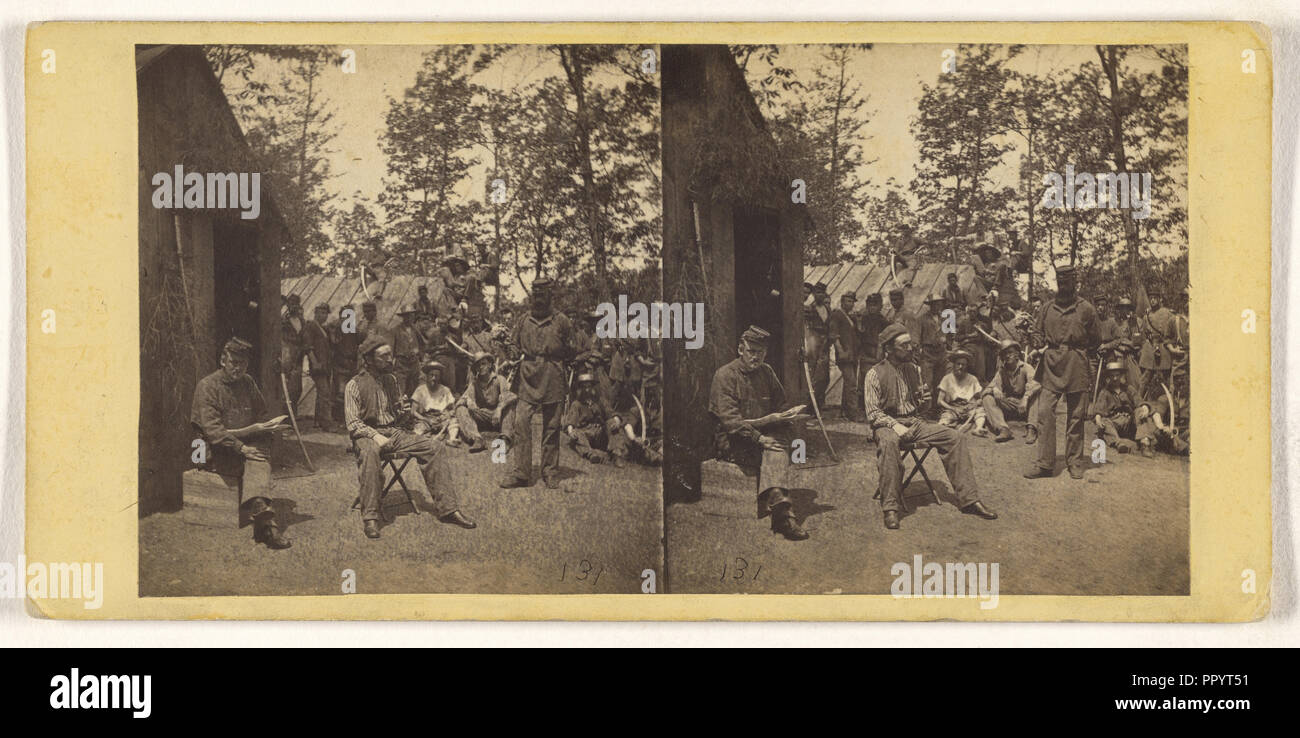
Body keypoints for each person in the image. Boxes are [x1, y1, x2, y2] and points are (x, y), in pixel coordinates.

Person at [864, 324, 998, 530]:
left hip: (913, 422)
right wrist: (895, 426)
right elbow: (873, 414)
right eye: (904, 345)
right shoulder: (874, 374)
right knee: (889, 442)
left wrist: (922, 400)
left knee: (955, 437)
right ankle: (890, 507)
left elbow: (919, 406)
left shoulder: (914, 369)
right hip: (887, 424)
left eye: (911, 344)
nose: (910, 348)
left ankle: (970, 500)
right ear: (889, 349)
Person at [344, 335, 476, 539]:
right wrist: (376, 436)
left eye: (390, 355)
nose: (390, 359)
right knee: (370, 453)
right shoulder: (354, 385)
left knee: (434, 447)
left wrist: (403, 411)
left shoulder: (392, 380)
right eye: (384, 356)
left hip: (393, 431)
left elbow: (398, 419)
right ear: (369, 359)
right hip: (367, 434)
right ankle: (370, 517)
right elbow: (353, 424)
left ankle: (449, 509)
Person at [708, 325, 810, 541]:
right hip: (733, 440)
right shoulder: (725, 376)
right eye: (751, 352)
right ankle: (781, 511)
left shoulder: (767, 372)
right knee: (774, 446)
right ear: (739, 349)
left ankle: (778, 503)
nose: (755, 357)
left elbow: (780, 403)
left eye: (760, 353)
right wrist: (760, 438)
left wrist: (787, 416)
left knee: (778, 442)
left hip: (762, 436)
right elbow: (730, 422)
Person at [190, 337, 291, 549]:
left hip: (241, 446)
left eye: (243, 364)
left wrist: (267, 428)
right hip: (214, 449)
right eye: (234, 363)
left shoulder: (248, 383)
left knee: (260, 453)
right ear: (222, 361)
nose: (238, 368)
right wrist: (243, 447)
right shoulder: (207, 386)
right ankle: (265, 520)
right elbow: (213, 431)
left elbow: (261, 413)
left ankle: (261, 513)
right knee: (254, 458)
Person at [1025, 265, 1100, 481]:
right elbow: (1037, 331)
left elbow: (1096, 339)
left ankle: (1075, 461)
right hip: (1051, 363)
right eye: (1060, 281)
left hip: (1077, 362)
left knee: (1076, 416)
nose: (1063, 285)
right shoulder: (1047, 308)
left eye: (1067, 281)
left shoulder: (1086, 308)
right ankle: (1045, 464)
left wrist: (1079, 352)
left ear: (1075, 282)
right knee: (1044, 412)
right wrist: (1038, 340)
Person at [502, 277, 574, 489]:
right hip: (528, 375)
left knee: (552, 426)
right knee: (521, 422)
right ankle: (521, 473)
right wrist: (508, 350)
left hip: (553, 374)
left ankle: (550, 471)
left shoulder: (562, 321)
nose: (539, 299)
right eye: (536, 295)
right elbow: (514, 346)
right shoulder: (523, 320)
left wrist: (560, 358)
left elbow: (573, 348)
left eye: (543, 295)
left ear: (551, 296)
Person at [1089, 360, 1156, 457]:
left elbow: (1139, 401)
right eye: (1112, 376)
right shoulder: (1105, 392)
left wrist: (1144, 407)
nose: (1115, 378)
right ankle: (1119, 444)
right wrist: (1098, 419)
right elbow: (1099, 410)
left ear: (1121, 376)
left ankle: (1144, 444)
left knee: (1139, 411)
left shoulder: (1128, 389)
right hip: (1114, 423)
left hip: (1129, 423)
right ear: (1108, 377)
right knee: (1105, 422)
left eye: (1117, 375)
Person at [981, 339, 1041, 444]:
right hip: (1009, 404)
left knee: (1035, 396)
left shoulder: (1026, 368)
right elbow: (987, 389)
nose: (1007, 356)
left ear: (1017, 354)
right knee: (987, 398)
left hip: (1026, 406)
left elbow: (1036, 384)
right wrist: (994, 389)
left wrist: (1026, 398)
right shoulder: (1001, 371)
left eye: (1010, 353)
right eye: (1004, 354)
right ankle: (1003, 429)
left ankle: (1031, 428)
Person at [563, 373, 629, 466]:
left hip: (600, 433)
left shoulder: (600, 400)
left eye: (589, 387)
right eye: (584, 387)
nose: (587, 390)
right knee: (577, 434)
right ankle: (591, 455)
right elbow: (571, 422)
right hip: (586, 434)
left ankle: (616, 454)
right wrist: (571, 432)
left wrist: (616, 421)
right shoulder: (576, 404)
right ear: (580, 389)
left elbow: (611, 413)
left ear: (593, 387)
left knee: (611, 423)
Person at [829, 291, 864, 421]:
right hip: (845, 355)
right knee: (852, 383)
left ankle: (844, 411)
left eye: (852, 302)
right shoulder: (837, 315)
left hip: (853, 355)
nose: (850, 304)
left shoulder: (851, 317)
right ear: (842, 302)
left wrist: (859, 322)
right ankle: (853, 413)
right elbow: (834, 335)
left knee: (848, 383)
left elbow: (859, 333)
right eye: (848, 301)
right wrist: (840, 351)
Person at [411, 360, 461, 445]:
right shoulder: (420, 390)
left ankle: (452, 439)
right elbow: (413, 412)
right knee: (418, 430)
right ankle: (416, 442)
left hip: (442, 418)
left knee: (453, 421)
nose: (434, 378)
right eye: (431, 375)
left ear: (440, 377)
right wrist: (426, 420)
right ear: (427, 376)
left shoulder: (445, 390)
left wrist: (447, 415)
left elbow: (452, 409)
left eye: (437, 376)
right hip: (426, 418)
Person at [937, 349, 986, 433]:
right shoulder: (947, 378)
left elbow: (980, 397)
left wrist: (975, 404)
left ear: (967, 366)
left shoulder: (972, 379)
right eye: (958, 364)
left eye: (963, 364)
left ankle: (979, 428)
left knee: (980, 412)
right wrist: (953, 409)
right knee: (946, 417)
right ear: (954, 365)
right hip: (953, 407)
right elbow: (939, 401)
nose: (960, 367)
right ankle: (941, 430)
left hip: (968, 407)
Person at [330, 303, 362, 426]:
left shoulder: (354, 329)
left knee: (351, 392)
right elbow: (333, 343)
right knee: (340, 393)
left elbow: (362, 339)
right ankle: (339, 419)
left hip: (352, 365)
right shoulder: (336, 328)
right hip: (340, 364)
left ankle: (349, 418)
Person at [304, 303, 333, 431]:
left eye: (326, 313)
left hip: (325, 366)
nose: (324, 316)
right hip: (318, 366)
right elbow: (308, 347)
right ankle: (327, 424)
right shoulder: (311, 326)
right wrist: (314, 362)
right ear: (316, 313)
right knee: (325, 394)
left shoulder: (323, 328)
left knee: (321, 394)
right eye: (321, 313)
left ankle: (317, 420)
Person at [803, 282, 831, 409]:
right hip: (814, 342)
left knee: (824, 375)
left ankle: (819, 403)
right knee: (813, 373)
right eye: (817, 293)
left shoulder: (827, 309)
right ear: (814, 295)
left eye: (822, 293)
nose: (819, 295)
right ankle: (810, 406)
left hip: (825, 344)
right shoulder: (809, 309)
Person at [280, 294, 307, 416]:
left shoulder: (302, 321)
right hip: (287, 357)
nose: (293, 307)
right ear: (288, 305)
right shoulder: (283, 321)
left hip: (298, 357)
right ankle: (286, 417)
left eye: (296, 304)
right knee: (287, 389)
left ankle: (293, 416)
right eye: (291, 304)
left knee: (297, 388)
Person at [392, 302, 423, 396]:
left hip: (414, 361)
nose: (410, 318)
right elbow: (391, 347)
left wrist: (420, 355)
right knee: (401, 385)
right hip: (402, 362)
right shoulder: (396, 330)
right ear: (403, 317)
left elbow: (422, 343)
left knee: (414, 385)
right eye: (407, 316)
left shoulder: (415, 329)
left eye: (411, 315)